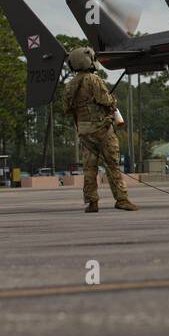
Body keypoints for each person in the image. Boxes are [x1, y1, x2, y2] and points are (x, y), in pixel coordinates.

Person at [63, 46, 139, 212]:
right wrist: (113, 101)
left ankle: (92, 202)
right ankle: (122, 199)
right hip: (102, 129)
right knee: (112, 166)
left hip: (84, 132)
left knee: (89, 168)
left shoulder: (70, 85)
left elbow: (67, 109)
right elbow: (105, 100)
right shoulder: (94, 79)